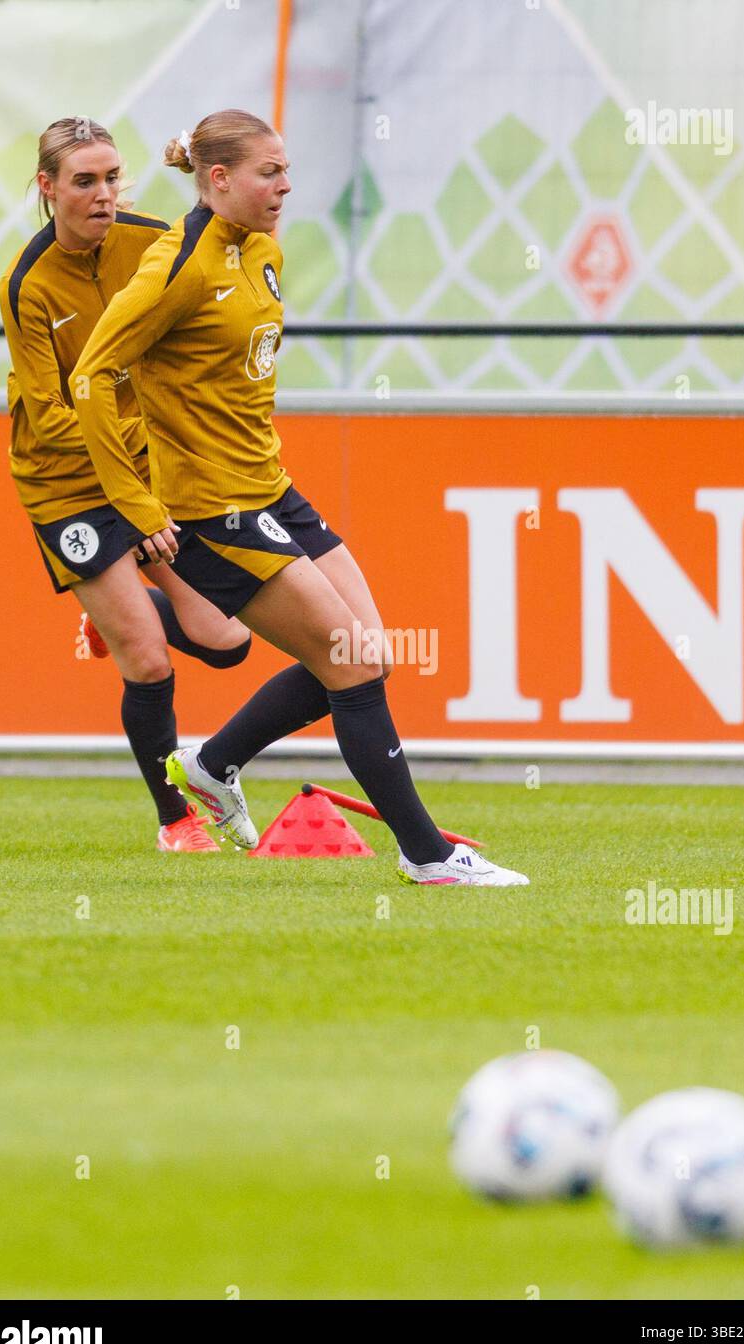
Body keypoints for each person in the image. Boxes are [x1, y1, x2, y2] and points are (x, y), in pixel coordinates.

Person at [73, 109, 527, 886]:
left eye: (286, 170)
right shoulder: (175, 266)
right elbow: (90, 378)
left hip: (274, 491)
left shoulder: (263, 250)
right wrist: (139, 510)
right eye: (268, 172)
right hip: (213, 512)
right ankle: (427, 856)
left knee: (368, 656)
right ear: (218, 180)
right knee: (349, 665)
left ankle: (213, 764)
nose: (285, 185)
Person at [0, 116, 254, 853]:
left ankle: (117, 608)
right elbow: (48, 419)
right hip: (67, 485)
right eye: (85, 181)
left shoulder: (153, 240)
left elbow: (221, 251)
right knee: (149, 661)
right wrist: (141, 441)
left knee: (228, 640)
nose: (104, 194)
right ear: (48, 188)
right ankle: (176, 821)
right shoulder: (28, 283)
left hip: (146, 476)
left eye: (113, 178)